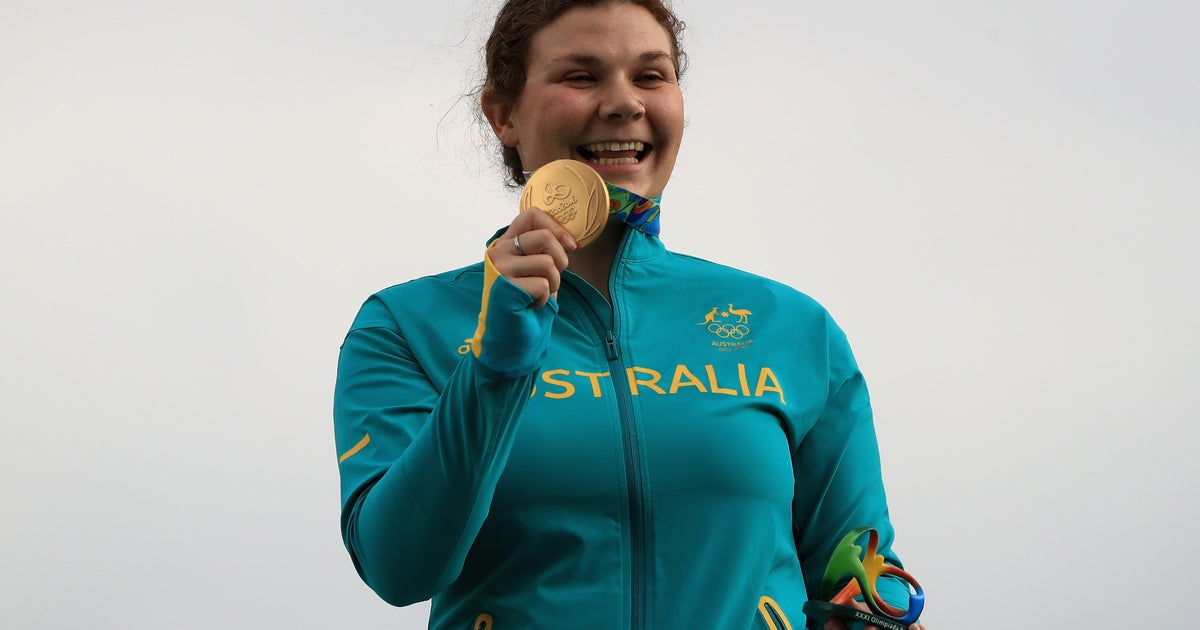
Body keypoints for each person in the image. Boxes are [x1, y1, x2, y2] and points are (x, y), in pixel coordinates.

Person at [332, 1, 926, 628]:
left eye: (651, 76)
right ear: (504, 113)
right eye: (581, 76)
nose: (624, 103)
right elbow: (398, 568)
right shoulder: (404, 326)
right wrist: (492, 374)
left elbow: (860, 586)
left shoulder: (794, 329)